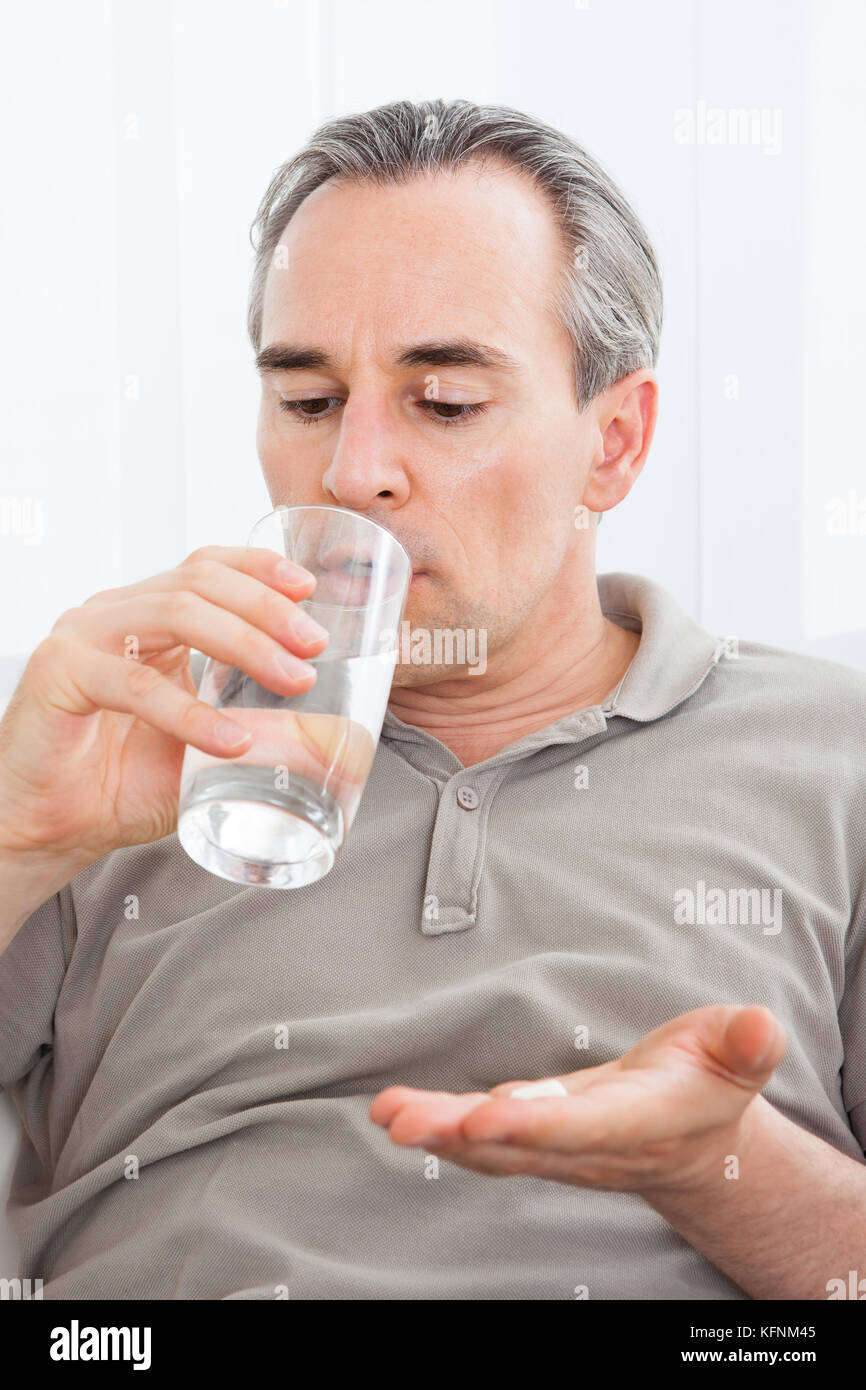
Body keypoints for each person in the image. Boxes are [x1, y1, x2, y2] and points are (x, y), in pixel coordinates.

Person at [0, 98, 863, 1302]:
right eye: (306, 401)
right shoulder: (105, 739)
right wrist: (17, 848)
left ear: (613, 442)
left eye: (444, 401)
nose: (353, 472)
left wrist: (716, 1158)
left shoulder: (835, 758)